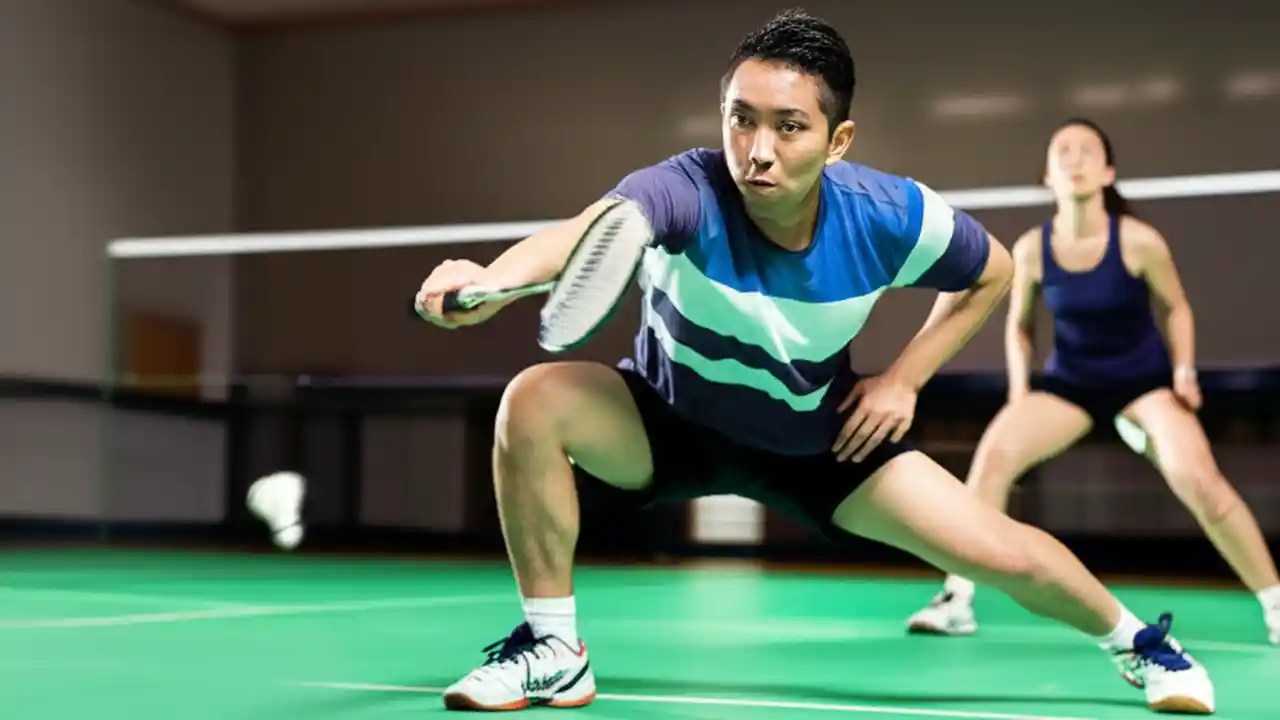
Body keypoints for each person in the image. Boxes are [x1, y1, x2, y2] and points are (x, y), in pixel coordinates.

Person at [414, 10, 1215, 714]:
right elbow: (586, 233)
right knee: (534, 400)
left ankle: (1140, 643)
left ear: (837, 141)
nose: (757, 152)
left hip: (820, 441)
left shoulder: (887, 216)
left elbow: (994, 271)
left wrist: (904, 378)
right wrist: (492, 280)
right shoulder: (684, 188)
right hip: (669, 420)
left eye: (789, 127)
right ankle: (554, 651)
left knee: (999, 552)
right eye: (740, 119)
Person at [905, 117, 1280, 648]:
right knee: (992, 461)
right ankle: (956, 599)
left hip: (1143, 386)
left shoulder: (1140, 241)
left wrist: (1185, 372)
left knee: (1196, 477)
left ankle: (1275, 604)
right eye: (1063, 151)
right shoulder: (1033, 248)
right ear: (1047, 176)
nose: (1075, 159)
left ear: (1108, 172)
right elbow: (1018, 324)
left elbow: (1176, 308)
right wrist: (1019, 391)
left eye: (1087, 151)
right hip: (1070, 387)